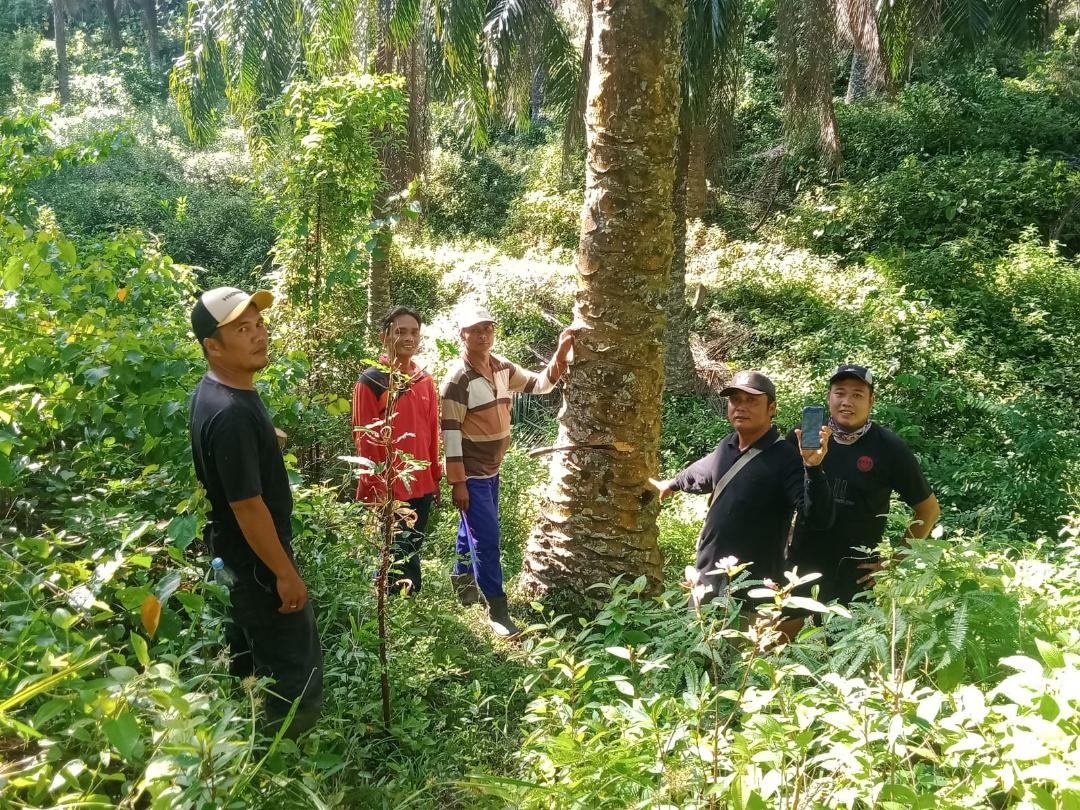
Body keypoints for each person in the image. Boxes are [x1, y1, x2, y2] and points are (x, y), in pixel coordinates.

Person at [189, 286, 322, 735]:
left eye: (259, 324)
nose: (258, 335)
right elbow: (248, 507)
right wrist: (284, 573)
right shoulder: (230, 414)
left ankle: (246, 743)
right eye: (241, 329)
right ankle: (287, 761)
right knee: (292, 669)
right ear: (213, 345)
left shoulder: (221, 392)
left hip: (231, 555)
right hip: (257, 564)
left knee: (247, 659)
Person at [441, 304, 574, 638]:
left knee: (472, 527)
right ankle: (497, 610)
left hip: (492, 469)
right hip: (471, 474)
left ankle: (461, 578)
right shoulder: (456, 380)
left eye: (488, 328)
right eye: (476, 330)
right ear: (463, 335)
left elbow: (541, 384)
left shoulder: (501, 368)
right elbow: (451, 434)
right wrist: (458, 482)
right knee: (488, 539)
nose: (483, 334)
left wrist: (560, 353)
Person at [649, 370, 834, 608]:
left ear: (771, 408)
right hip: (707, 581)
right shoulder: (728, 445)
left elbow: (818, 516)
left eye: (752, 401)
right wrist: (672, 484)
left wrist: (813, 468)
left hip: (752, 591)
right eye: (735, 400)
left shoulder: (786, 458)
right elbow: (701, 472)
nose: (741, 407)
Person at [787, 364, 940, 607]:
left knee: (843, 644)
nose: (847, 401)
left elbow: (928, 510)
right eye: (839, 392)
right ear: (829, 397)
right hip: (801, 563)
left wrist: (892, 562)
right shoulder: (807, 437)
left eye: (857, 394)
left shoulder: (889, 448)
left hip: (854, 573)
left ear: (871, 400)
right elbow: (782, 492)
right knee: (783, 640)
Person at [352, 306, 442, 596]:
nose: (408, 337)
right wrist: (377, 486)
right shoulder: (372, 380)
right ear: (385, 336)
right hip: (390, 483)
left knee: (412, 543)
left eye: (414, 332)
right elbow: (364, 437)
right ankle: (393, 601)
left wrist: (435, 475)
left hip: (422, 482)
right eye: (400, 331)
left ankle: (403, 601)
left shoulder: (424, 380)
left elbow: (431, 431)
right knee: (395, 546)